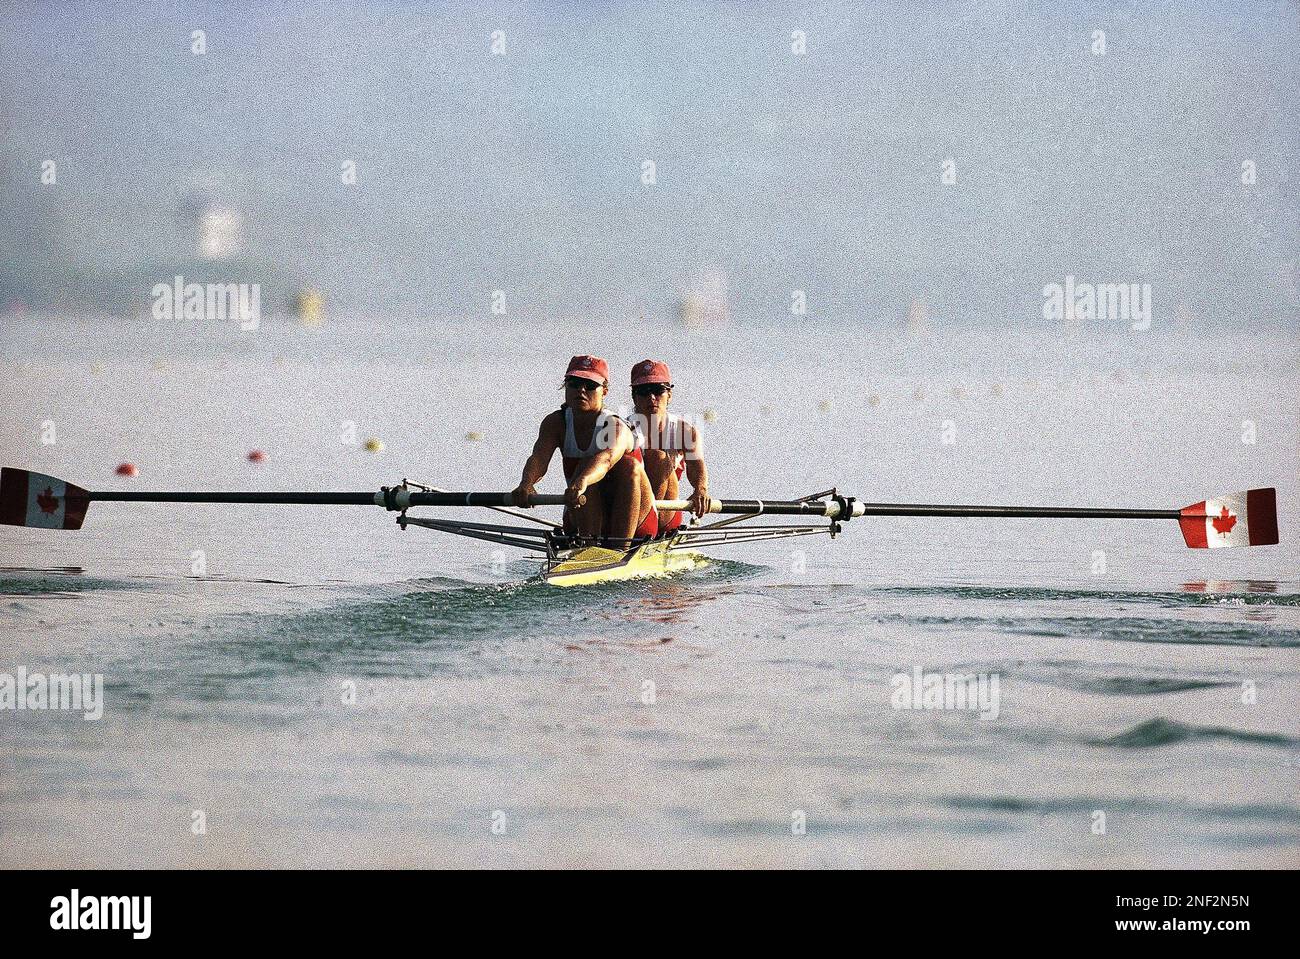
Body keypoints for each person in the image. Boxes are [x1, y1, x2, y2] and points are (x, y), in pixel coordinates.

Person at [510, 355, 658, 547]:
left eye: (589, 385)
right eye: (574, 383)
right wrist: (526, 483)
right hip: (582, 511)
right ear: (566, 386)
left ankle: (620, 547)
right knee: (585, 468)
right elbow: (538, 458)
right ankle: (589, 548)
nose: (581, 390)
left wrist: (582, 480)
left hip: (636, 523)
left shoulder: (615, 426)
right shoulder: (555, 423)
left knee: (627, 466)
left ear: (604, 391)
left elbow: (606, 459)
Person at [627, 359, 710, 537]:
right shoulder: (622, 429)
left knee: (658, 458)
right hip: (628, 512)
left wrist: (700, 491)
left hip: (666, 515)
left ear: (669, 394)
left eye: (658, 391)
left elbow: (697, 469)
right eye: (643, 391)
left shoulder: (685, 432)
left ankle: (644, 533)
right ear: (634, 396)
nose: (651, 398)